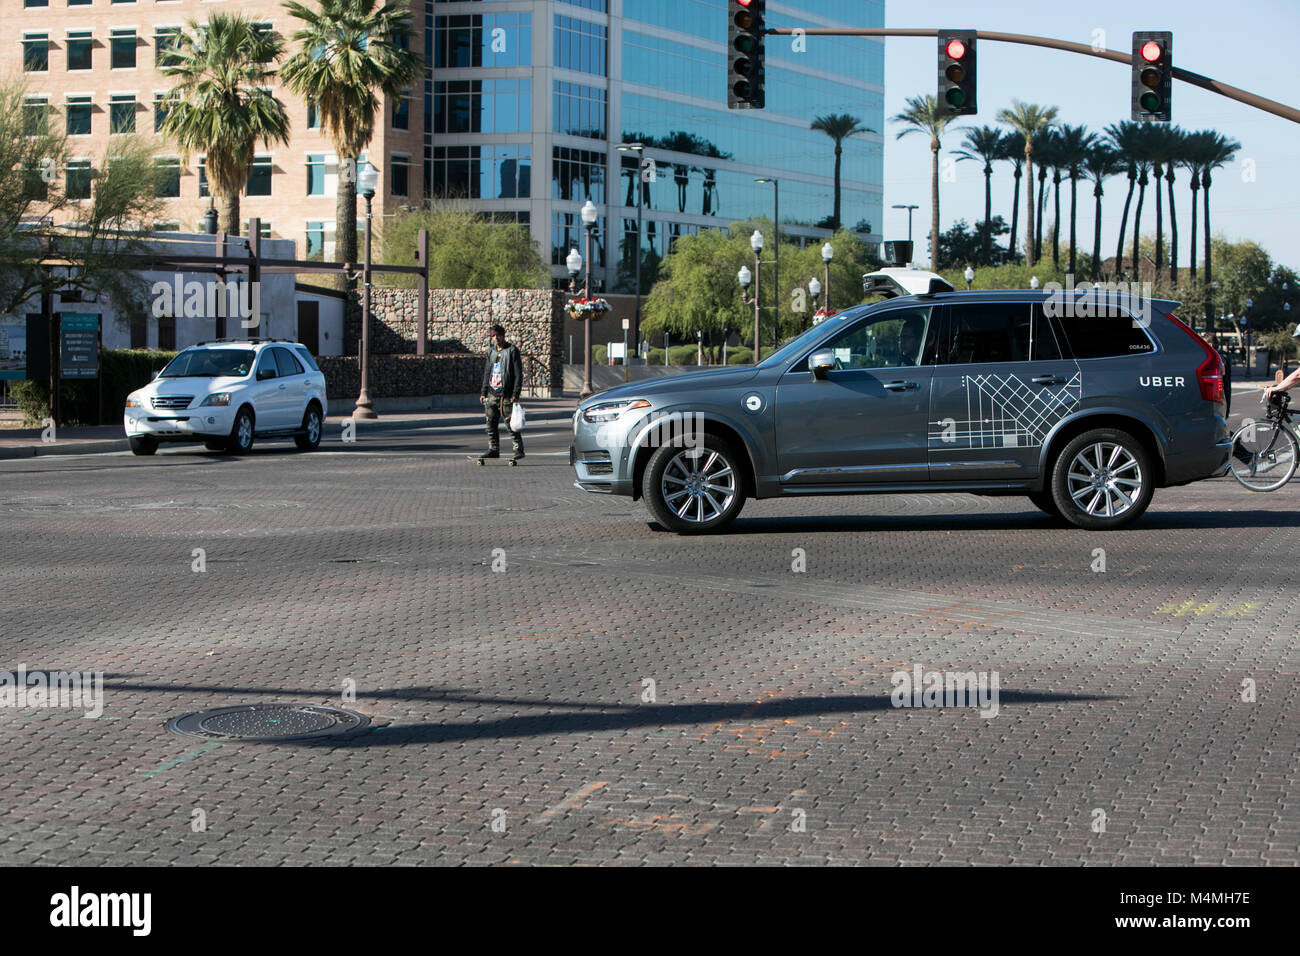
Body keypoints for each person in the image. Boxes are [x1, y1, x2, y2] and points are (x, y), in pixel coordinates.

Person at [476, 323, 524, 462]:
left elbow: (518, 374)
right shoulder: (490, 352)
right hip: (492, 393)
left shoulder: (511, 350)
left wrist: (516, 393)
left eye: (498, 335)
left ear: (503, 336)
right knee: (490, 423)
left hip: (506, 394)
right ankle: (493, 449)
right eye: (493, 336)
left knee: (511, 424)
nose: (496, 338)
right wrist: (483, 392)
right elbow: (487, 372)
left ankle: (518, 449)